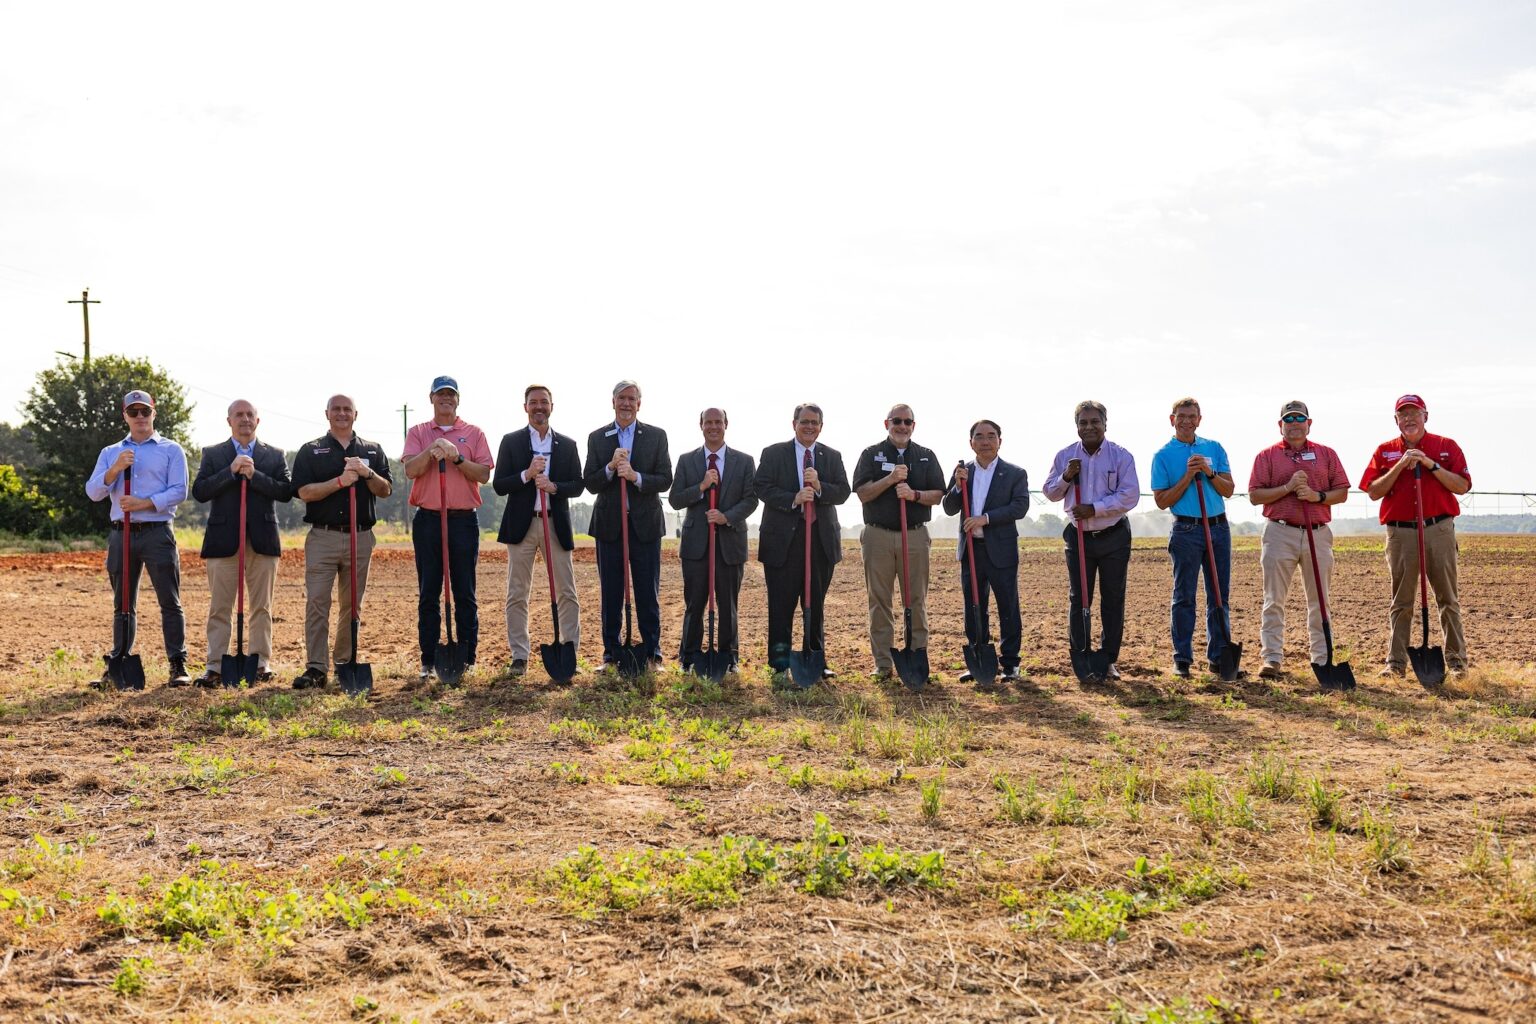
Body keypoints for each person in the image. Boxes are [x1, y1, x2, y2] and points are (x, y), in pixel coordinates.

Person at [1360, 394, 1472, 677]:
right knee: (1401, 600)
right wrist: (1400, 465)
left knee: (1448, 598)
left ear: (1426, 416)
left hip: (1438, 529)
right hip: (1401, 532)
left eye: (1415, 413)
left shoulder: (1446, 446)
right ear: (1396, 420)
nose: (1409, 419)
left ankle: (1457, 663)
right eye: (1403, 414)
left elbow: (1461, 486)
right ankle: (1395, 664)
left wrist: (1430, 464)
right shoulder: (1385, 451)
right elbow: (1373, 491)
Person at [85, 389, 191, 687]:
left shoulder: (171, 450)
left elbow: (179, 491)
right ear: (125, 416)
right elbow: (93, 492)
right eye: (134, 412)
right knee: (123, 603)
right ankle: (118, 663)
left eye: (145, 411)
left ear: (154, 413)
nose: (140, 417)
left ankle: (177, 664)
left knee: (169, 601)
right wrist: (115, 470)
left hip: (157, 533)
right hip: (122, 535)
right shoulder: (110, 453)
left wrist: (143, 503)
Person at [289, 395, 393, 690]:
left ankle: (345, 663)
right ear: (327, 414)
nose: (342, 414)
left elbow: (385, 490)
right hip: (322, 536)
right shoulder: (311, 450)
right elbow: (304, 492)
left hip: (361, 537)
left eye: (347, 409)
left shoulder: (372, 450)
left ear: (356, 414)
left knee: (352, 605)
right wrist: (340, 482)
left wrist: (365, 473)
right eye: (336, 409)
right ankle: (316, 668)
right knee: (318, 602)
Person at [190, 399, 293, 686]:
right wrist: (231, 471)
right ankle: (216, 666)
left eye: (250, 415)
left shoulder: (274, 455)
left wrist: (254, 475)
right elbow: (200, 491)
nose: (245, 419)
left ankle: (260, 662)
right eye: (239, 415)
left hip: (262, 541)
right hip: (223, 541)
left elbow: (286, 491)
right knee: (220, 606)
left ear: (257, 421)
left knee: (262, 606)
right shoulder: (213, 454)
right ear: (229, 421)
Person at [1246, 400, 1351, 678]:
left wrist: (1317, 496)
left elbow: (1341, 491)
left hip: (1317, 533)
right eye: (1288, 419)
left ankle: (1322, 659)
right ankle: (1271, 659)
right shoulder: (1266, 456)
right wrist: (1288, 487)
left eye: (1299, 418)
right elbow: (1255, 495)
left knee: (1320, 600)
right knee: (1274, 599)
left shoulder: (1326, 454)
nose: (1294, 423)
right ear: (1280, 424)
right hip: (1280, 532)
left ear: (1309, 423)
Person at [401, 376, 493, 681]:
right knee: (429, 592)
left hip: (463, 521)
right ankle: (428, 660)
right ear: (431, 399)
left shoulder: (474, 433)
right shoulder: (418, 432)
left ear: (457, 400)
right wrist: (431, 450)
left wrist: (456, 456)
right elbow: (410, 470)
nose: (446, 399)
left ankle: (468, 657)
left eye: (451, 394)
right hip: (428, 519)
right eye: (440, 394)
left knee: (464, 591)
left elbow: (483, 474)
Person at [754, 402, 851, 684]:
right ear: (793, 423)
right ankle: (780, 663)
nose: (809, 427)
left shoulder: (831, 456)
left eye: (815, 422)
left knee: (816, 604)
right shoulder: (774, 453)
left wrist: (819, 487)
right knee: (781, 605)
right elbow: (761, 486)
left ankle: (815, 660)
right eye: (804, 421)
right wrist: (793, 498)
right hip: (783, 541)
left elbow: (843, 491)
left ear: (821, 426)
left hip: (819, 542)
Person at [1042, 400, 1140, 681]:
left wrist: (1094, 508)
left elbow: (1129, 495)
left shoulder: (1121, 456)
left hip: (1113, 535)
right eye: (1083, 423)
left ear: (1105, 424)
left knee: (1112, 597)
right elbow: (1050, 492)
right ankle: (1081, 655)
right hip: (1078, 536)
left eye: (1095, 422)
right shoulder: (1064, 456)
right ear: (1076, 427)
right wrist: (1066, 477)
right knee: (1079, 597)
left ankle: (1108, 658)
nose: (1089, 427)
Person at [493, 384, 584, 679]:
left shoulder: (567, 445)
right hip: (522, 526)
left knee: (567, 591)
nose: (539, 407)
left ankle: (569, 650)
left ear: (552, 406)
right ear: (525, 408)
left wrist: (554, 487)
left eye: (544, 402)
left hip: (554, 525)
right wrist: (527, 475)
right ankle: (520, 655)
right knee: (517, 593)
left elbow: (578, 485)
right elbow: (500, 484)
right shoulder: (511, 442)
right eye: (533, 403)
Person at [583, 380, 672, 668]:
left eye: (631, 399)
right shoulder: (598, 438)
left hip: (644, 527)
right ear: (613, 402)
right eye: (621, 398)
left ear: (639, 404)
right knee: (611, 592)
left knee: (648, 592)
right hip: (610, 527)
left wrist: (635, 477)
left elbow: (665, 478)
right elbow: (590, 482)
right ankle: (611, 654)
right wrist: (610, 468)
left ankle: (652, 654)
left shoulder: (656, 436)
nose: (626, 403)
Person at [852, 404, 945, 681]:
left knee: (915, 599)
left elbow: (939, 493)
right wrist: (890, 479)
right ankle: (883, 662)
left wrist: (914, 494)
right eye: (897, 421)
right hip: (878, 535)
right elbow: (862, 492)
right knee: (879, 601)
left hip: (914, 535)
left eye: (907, 421)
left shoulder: (926, 456)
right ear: (887, 423)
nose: (902, 426)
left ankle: (917, 657)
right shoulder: (871, 454)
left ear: (913, 425)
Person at [668, 407, 759, 673]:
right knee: (694, 603)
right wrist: (701, 486)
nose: (713, 426)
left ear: (726, 424)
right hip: (697, 545)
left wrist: (725, 517)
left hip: (730, 543)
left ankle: (729, 658)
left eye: (718, 421)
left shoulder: (744, 461)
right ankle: (689, 657)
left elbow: (751, 499)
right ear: (701, 425)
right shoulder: (687, 461)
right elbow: (675, 499)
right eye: (708, 422)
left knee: (728, 603)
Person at [941, 419, 1031, 689]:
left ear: (1000, 441)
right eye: (979, 437)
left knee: (1008, 606)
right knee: (974, 606)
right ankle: (979, 659)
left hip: (1001, 549)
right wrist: (957, 486)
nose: (985, 441)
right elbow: (948, 507)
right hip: (971, 551)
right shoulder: (962, 471)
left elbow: (1020, 507)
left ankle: (1010, 663)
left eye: (991, 436)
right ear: (971, 443)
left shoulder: (1014, 473)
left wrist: (985, 519)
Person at [1150, 398, 1235, 678]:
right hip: (1186, 530)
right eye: (1181, 416)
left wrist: (1208, 472)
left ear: (1200, 419)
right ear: (1172, 419)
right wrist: (1188, 475)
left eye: (1192, 416)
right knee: (1184, 596)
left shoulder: (1214, 448)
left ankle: (1220, 657)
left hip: (1218, 529)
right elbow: (1163, 500)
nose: (1186, 421)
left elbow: (1228, 490)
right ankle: (1182, 659)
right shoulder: (1163, 456)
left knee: (1219, 596)